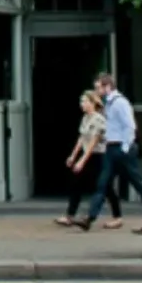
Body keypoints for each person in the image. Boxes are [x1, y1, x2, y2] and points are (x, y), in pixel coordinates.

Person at [74, 73, 142, 234]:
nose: (96, 91)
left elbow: (130, 127)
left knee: (138, 183)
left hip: (121, 148)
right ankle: (89, 218)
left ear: (107, 87)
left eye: (98, 87)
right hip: (111, 148)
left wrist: (125, 148)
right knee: (102, 183)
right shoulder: (108, 104)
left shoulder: (120, 103)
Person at [55, 90, 124, 228]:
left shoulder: (98, 119)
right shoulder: (85, 118)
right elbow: (82, 138)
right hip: (88, 155)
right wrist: (73, 155)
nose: (82, 104)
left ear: (93, 103)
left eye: (85, 101)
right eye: (81, 101)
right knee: (77, 183)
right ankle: (70, 215)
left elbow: (94, 142)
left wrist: (81, 161)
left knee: (106, 186)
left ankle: (117, 217)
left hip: (99, 156)